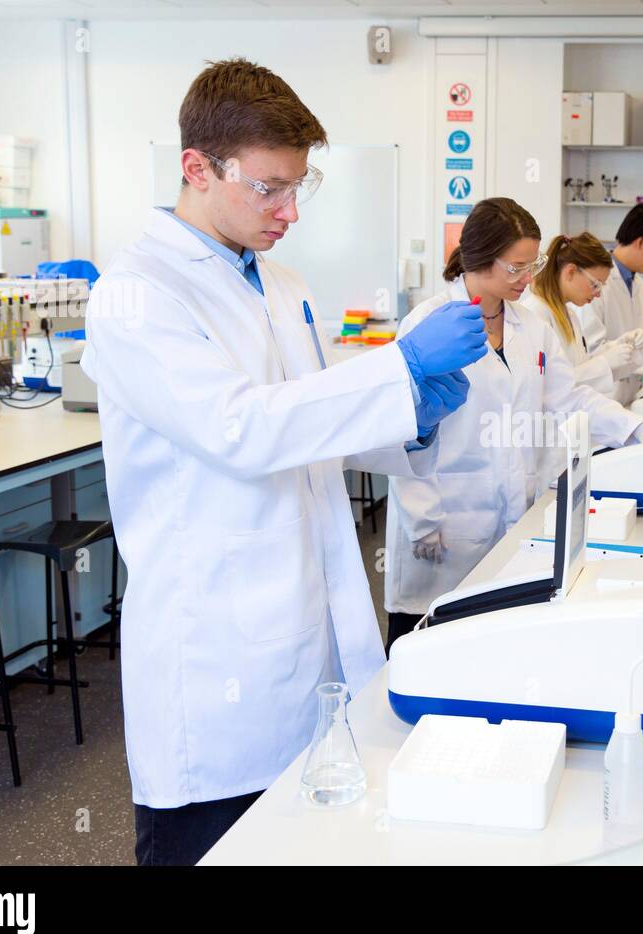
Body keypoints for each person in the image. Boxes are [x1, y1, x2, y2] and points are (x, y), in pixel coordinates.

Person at [81, 59, 484, 865]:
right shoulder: (136, 294)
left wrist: (409, 420)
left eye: (302, 185)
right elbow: (242, 429)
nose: (291, 210)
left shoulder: (280, 281)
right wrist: (397, 368)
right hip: (215, 661)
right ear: (197, 167)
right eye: (271, 187)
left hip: (312, 626)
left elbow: (308, 426)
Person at [383, 199, 643, 645]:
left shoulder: (530, 326)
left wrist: (629, 425)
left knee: (494, 644)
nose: (528, 279)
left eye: (531, 265)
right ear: (478, 257)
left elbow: (567, 396)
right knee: (427, 647)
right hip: (444, 525)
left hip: (510, 518)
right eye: (516, 267)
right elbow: (404, 430)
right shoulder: (428, 323)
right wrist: (422, 519)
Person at [522, 232, 643, 397]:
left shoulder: (569, 314)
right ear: (571, 272)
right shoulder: (535, 314)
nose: (598, 294)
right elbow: (551, 385)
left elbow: (580, 366)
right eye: (595, 284)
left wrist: (620, 348)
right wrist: (606, 362)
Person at [580, 202, 643, 406]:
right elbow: (590, 351)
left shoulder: (639, 285)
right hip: (601, 400)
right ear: (641, 242)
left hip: (627, 399)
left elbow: (636, 345)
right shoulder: (594, 282)